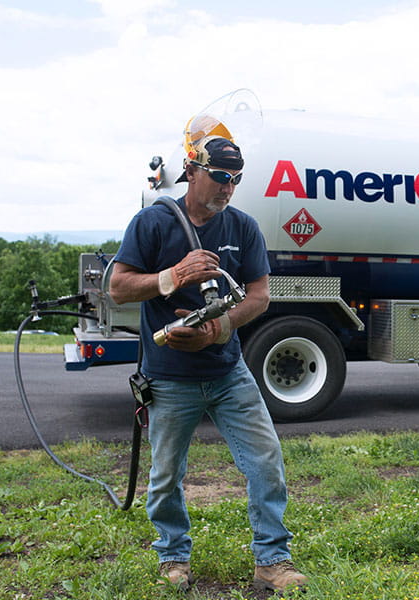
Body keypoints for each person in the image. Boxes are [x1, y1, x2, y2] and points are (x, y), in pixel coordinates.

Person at [109, 120, 307, 594]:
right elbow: (117, 288)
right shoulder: (153, 222)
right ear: (191, 170)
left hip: (227, 370)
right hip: (170, 376)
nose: (228, 187)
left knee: (264, 460)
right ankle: (173, 556)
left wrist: (219, 327)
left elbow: (259, 296)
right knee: (165, 473)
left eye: (236, 179)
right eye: (219, 176)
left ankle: (272, 562)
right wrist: (171, 277)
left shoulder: (243, 227)